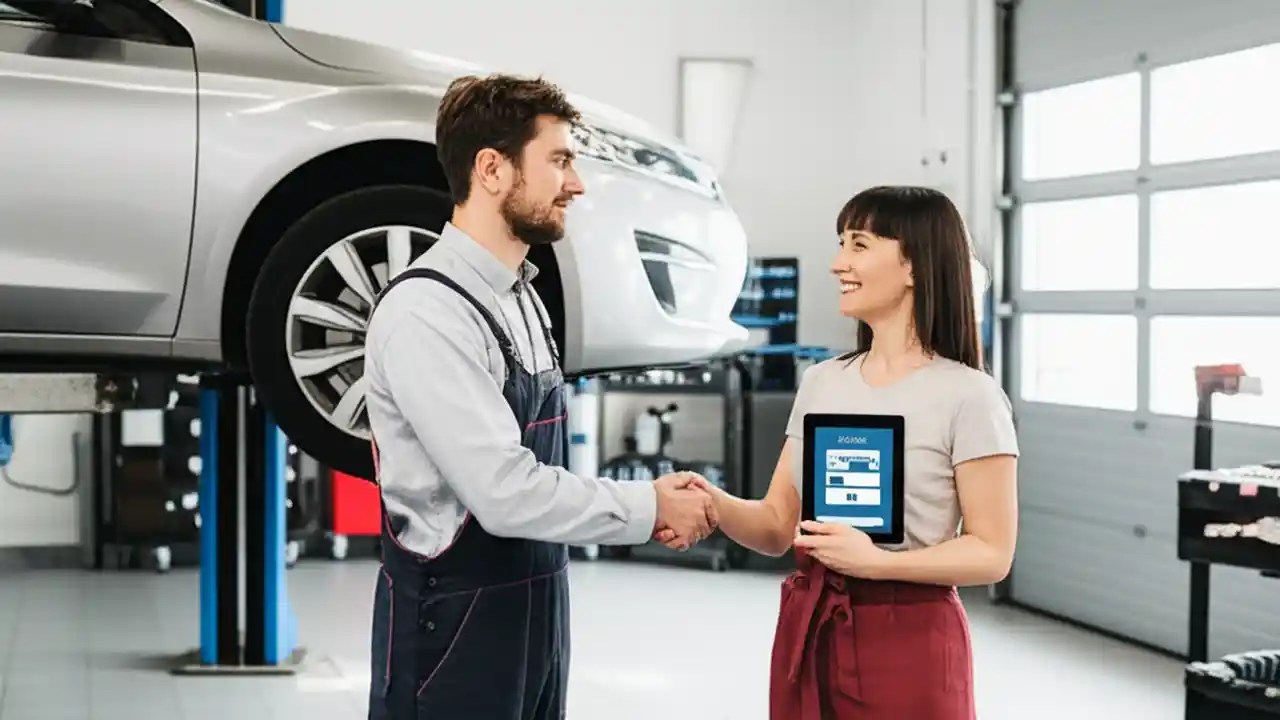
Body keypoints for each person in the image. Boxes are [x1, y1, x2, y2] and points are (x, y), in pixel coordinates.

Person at [362, 73, 717, 720]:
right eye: (558, 160)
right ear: (492, 169)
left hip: (535, 614)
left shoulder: (522, 295)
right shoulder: (427, 312)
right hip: (451, 636)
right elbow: (502, 492)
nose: (575, 184)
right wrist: (647, 504)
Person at [676, 186, 1019, 719]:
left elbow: (992, 553)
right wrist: (710, 501)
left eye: (858, 245)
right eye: (841, 244)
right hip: (814, 629)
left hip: (912, 641)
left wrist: (877, 563)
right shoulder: (822, 383)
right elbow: (775, 525)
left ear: (913, 264)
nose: (839, 264)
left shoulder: (970, 396)